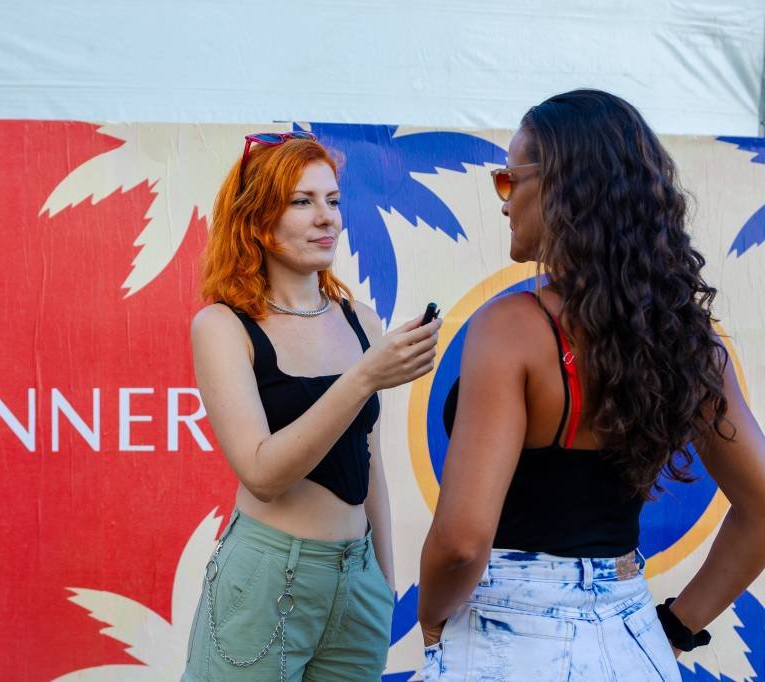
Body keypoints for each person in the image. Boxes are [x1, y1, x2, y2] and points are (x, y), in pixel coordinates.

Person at [417, 89, 765, 681]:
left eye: (509, 179)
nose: (503, 202)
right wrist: (677, 627)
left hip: (510, 633)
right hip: (634, 640)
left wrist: (431, 619)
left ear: (560, 188)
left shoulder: (512, 328)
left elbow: (461, 541)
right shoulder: (688, 341)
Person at [182, 131, 441, 681]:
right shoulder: (224, 326)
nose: (328, 219)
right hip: (268, 577)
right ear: (257, 219)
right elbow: (263, 474)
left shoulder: (361, 319)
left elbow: (370, 464)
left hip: (359, 583)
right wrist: (364, 375)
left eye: (333, 200)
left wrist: (383, 578)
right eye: (302, 201)